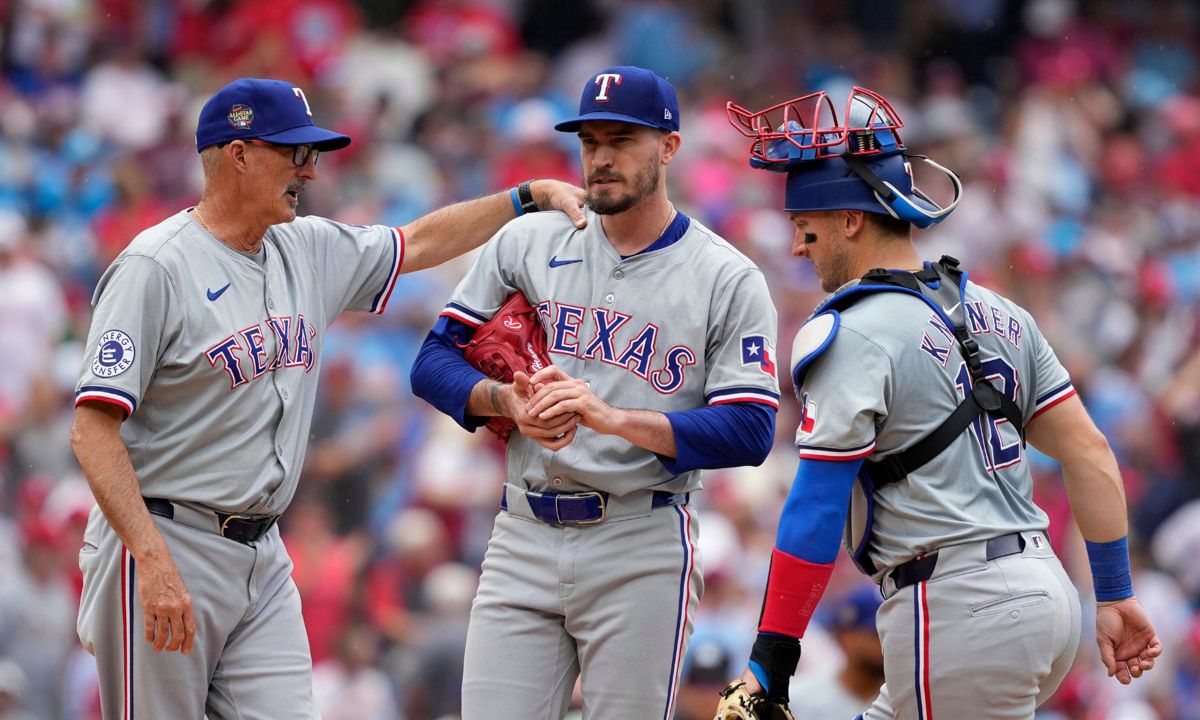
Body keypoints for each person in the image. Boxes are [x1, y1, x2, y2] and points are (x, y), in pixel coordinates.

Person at [69, 76, 585, 719]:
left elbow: (416, 242)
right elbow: (92, 431)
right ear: (239, 154)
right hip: (167, 537)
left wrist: (524, 198)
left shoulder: (305, 247)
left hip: (263, 553)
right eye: (295, 152)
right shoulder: (156, 268)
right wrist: (151, 558)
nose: (310, 171)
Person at [720, 87, 1162, 718]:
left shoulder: (852, 332)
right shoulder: (999, 311)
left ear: (851, 219)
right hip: (1042, 595)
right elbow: (1088, 450)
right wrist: (1114, 593)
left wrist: (772, 656)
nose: (798, 246)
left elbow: (815, 504)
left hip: (957, 605)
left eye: (805, 226)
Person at [409, 65, 780, 719]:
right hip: (523, 529)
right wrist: (506, 404)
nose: (601, 158)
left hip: (640, 536)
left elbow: (751, 430)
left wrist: (612, 419)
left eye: (621, 140)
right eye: (589, 142)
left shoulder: (726, 276)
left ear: (668, 146)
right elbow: (432, 362)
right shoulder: (530, 239)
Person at [787, 585, 884, 720]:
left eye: (894, 634)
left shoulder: (910, 699)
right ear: (844, 635)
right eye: (876, 634)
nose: (886, 643)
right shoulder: (796, 698)